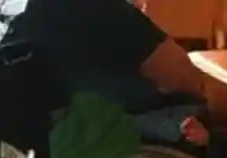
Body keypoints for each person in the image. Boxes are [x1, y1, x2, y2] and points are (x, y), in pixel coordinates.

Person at [13, 0, 210, 146]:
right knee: (203, 110)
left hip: (53, 133)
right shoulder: (101, 9)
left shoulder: (10, 12)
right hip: (110, 127)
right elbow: (180, 73)